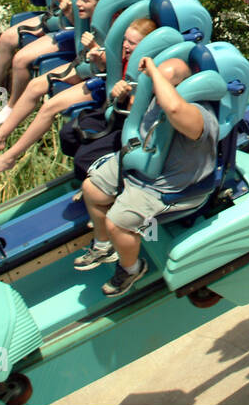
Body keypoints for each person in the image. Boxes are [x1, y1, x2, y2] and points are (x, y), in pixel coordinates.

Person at [73, 55, 219, 297]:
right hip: (141, 164)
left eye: (160, 80)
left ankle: (131, 268)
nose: (154, 84)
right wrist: (122, 91)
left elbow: (174, 109)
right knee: (91, 189)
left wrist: (153, 69)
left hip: (168, 188)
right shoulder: (156, 98)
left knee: (117, 224)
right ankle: (103, 246)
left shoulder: (198, 115)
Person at [0, 17, 156, 177]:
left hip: (123, 116)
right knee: (66, 132)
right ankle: (2, 143)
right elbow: (105, 64)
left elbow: (137, 104)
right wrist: (96, 56)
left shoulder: (148, 67)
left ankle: (10, 156)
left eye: (131, 43)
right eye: (124, 40)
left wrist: (122, 94)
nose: (125, 45)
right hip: (110, 103)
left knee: (77, 144)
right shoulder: (122, 55)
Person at [0, 0, 111, 142]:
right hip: (86, 66)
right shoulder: (88, 16)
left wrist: (94, 48)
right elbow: (81, 30)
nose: (78, 3)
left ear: (100, 3)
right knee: (34, 86)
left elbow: (111, 62)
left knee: (49, 106)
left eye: (85, 0)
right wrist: (66, 9)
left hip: (100, 77)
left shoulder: (111, 23)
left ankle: (7, 151)